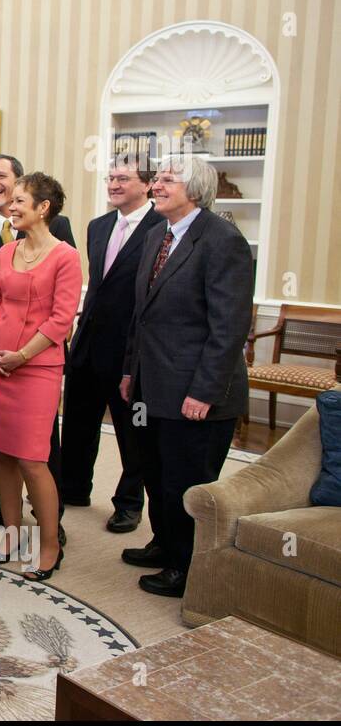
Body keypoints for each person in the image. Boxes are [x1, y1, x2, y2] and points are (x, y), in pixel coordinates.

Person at [120, 154, 252, 598]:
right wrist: (130, 371)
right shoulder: (156, 235)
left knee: (186, 482)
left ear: (195, 190)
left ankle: (186, 566)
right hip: (150, 386)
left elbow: (229, 327)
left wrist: (204, 392)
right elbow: (141, 315)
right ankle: (165, 543)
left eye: (167, 180)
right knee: (156, 474)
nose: (156, 185)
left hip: (196, 393)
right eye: (156, 178)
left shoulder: (222, 240)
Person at [0, 173, 83, 580]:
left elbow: (61, 320)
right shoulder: (4, 252)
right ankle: (11, 535)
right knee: (1, 454)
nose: (12, 206)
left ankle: (49, 545)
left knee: (32, 458)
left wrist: (22, 356)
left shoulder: (66, 257)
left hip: (37, 369)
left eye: (20, 200)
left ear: (43, 208)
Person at [62, 155, 164, 532]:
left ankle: (129, 503)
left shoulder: (160, 227)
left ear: (147, 185)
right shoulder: (99, 225)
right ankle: (73, 488)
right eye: (110, 177)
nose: (114, 184)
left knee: (131, 431)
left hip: (129, 349)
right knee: (77, 424)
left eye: (123, 178)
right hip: (88, 342)